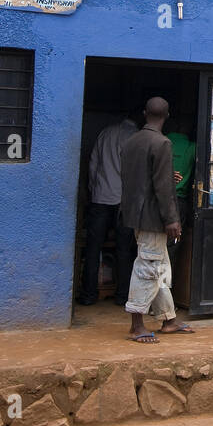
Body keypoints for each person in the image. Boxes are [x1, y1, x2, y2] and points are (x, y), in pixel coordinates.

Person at [119, 97, 194, 341]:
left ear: (144, 113)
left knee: (160, 268)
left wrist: (162, 176)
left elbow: (137, 176)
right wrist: (172, 219)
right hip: (153, 217)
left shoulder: (132, 141)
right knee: (148, 268)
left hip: (136, 214)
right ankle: (136, 324)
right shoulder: (162, 143)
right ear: (167, 115)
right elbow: (162, 187)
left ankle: (169, 319)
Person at [78, 113, 137, 306]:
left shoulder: (105, 133)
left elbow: (93, 164)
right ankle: (122, 296)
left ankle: (88, 295)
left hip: (100, 198)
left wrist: (92, 191)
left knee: (93, 248)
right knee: (124, 250)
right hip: (123, 200)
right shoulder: (134, 136)